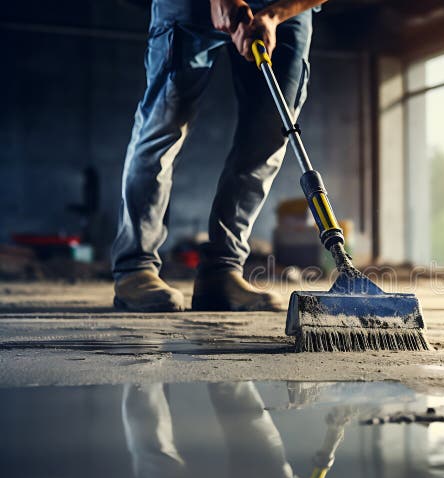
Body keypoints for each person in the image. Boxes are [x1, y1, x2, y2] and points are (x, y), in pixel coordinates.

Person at [111, 0, 326, 312]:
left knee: (271, 130)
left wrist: (276, 14)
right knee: (166, 118)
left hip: (282, 9)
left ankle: (222, 272)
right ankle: (135, 268)